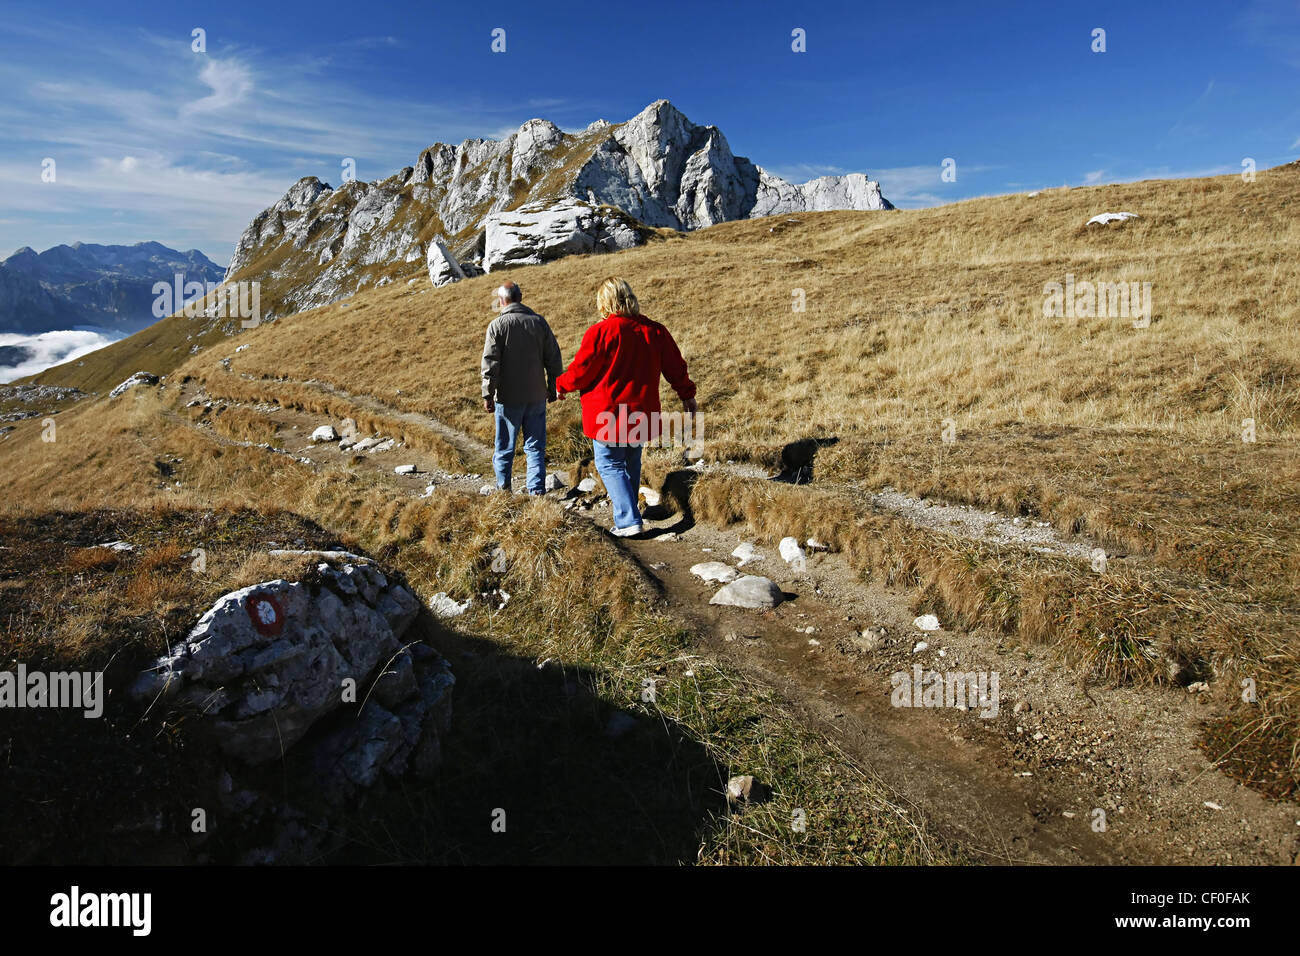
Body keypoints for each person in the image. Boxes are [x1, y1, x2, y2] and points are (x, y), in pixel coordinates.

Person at [555, 277, 697, 536]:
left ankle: (628, 521)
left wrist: (561, 385)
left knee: (609, 464)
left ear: (604, 302)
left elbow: (581, 372)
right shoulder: (655, 331)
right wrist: (687, 395)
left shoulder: (600, 332)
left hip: (607, 412)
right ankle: (629, 514)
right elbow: (676, 367)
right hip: (642, 412)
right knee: (631, 462)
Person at [481, 281, 564, 495]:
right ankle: (536, 492)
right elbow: (554, 358)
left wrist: (487, 394)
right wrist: (553, 386)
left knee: (505, 447)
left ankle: (504, 491)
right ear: (520, 297)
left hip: (508, 398)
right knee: (535, 446)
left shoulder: (497, 326)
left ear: (502, 301)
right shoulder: (539, 322)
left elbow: (490, 363)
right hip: (537, 395)